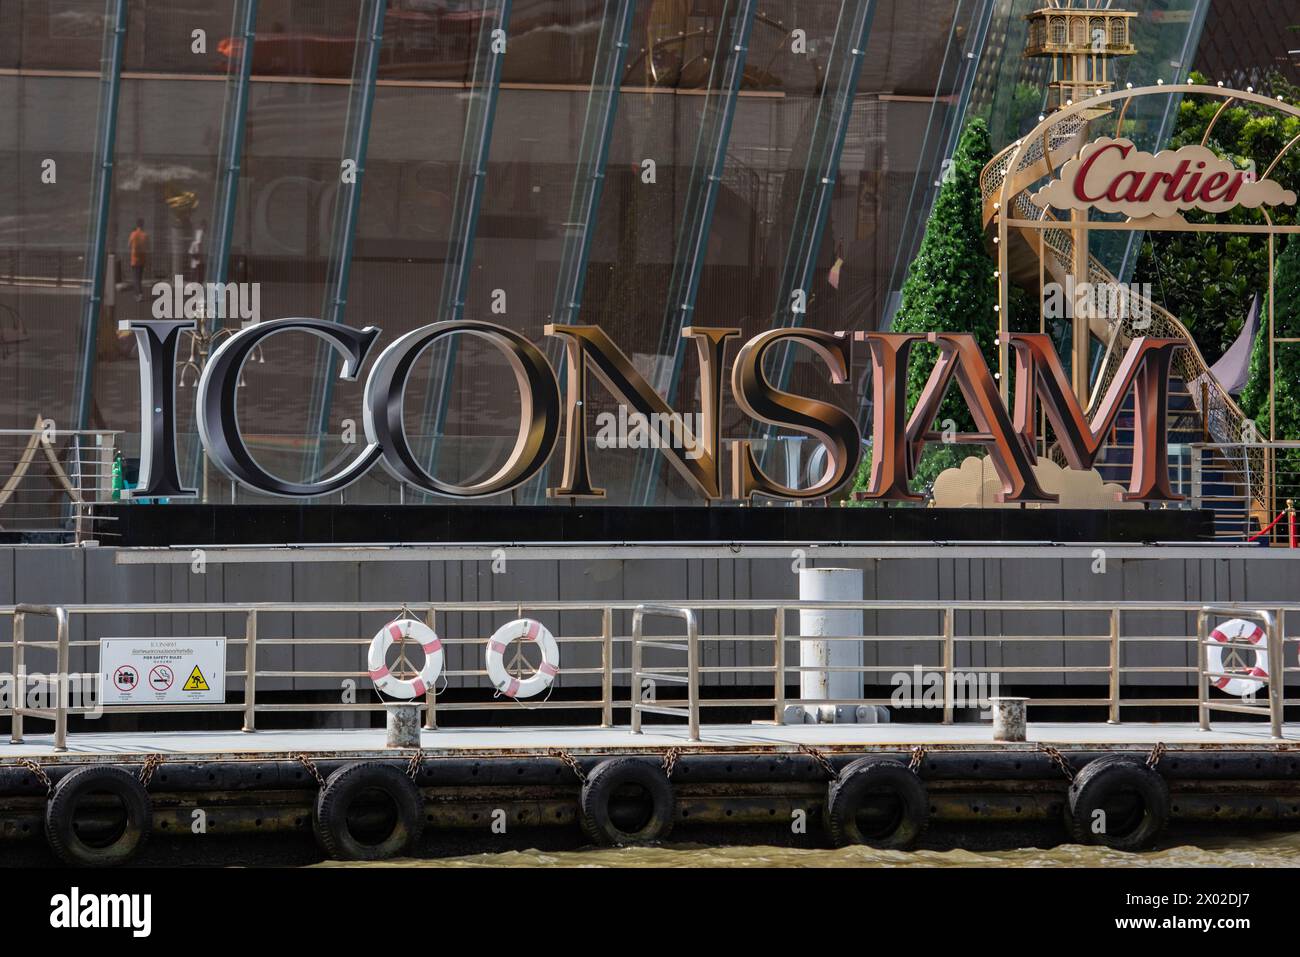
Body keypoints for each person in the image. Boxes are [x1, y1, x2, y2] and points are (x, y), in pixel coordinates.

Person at [128, 219, 148, 302]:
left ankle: (139, 294)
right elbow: (148, 247)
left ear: (137, 225)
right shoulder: (145, 235)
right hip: (142, 259)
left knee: (135, 278)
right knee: (139, 278)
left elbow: (128, 245)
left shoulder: (133, 234)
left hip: (134, 259)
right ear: (143, 225)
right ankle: (138, 293)